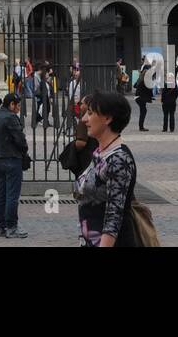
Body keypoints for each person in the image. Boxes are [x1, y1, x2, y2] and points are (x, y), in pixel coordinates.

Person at [74, 91, 138, 246]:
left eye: (90, 113)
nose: (84, 119)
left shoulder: (119, 159)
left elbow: (113, 217)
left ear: (108, 118)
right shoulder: (100, 152)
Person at [0, 92, 29, 239]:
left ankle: (1, 226)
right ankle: (11, 226)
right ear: (11, 104)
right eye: (17, 105)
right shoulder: (11, 117)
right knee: (12, 194)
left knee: (2, 193)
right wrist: (24, 149)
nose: (19, 109)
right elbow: (20, 139)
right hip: (12, 158)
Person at [134, 63, 153, 132]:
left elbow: (134, 86)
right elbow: (149, 89)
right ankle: (141, 127)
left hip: (138, 97)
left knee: (143, 111)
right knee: (143, 111)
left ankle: (141, 126)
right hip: (140, 97)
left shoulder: (141, 77)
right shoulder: (145, 78)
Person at [160, 67, 178, 132]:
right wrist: (174, 99)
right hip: (172, 102)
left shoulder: (165, 84)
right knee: (172, 115)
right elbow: (177, 93)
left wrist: (162, 100)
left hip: (165, 102)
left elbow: (163, 94)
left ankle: (165, 128)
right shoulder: (175, 85)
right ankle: (172, 128)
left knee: (165, 115)